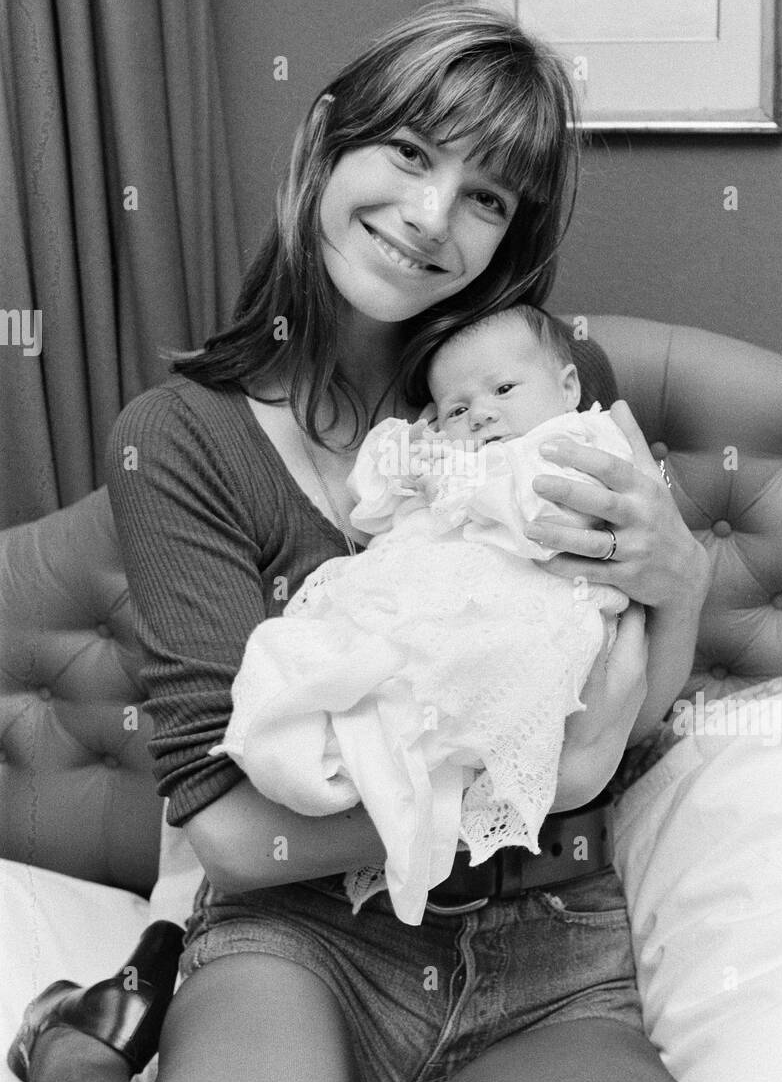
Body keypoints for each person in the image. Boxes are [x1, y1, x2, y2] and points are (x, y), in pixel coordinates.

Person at [8, 0, 710, 1082]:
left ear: (509, 238)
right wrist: (519, 787)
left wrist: (685, 582)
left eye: (486, 196)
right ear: (326, 142)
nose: (433, 217)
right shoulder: (180, 441)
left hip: (546, 944)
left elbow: (626, 704)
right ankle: (78, 1050)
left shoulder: (550, 395)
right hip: (302, 937)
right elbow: (234, 837)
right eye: (410, 152)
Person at [214, 304, 637, 926]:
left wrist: (453, 477)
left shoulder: (578, 445)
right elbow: (377, 509)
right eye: (458, 409)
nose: (483, 413)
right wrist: (411, 459)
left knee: (473, 674)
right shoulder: (454, 459)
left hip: (530, 606)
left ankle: (415, 760)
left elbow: (551, 524)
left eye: (502, 389)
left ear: (567, 388)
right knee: (323, 648)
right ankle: (330, 749)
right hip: (430, 596)